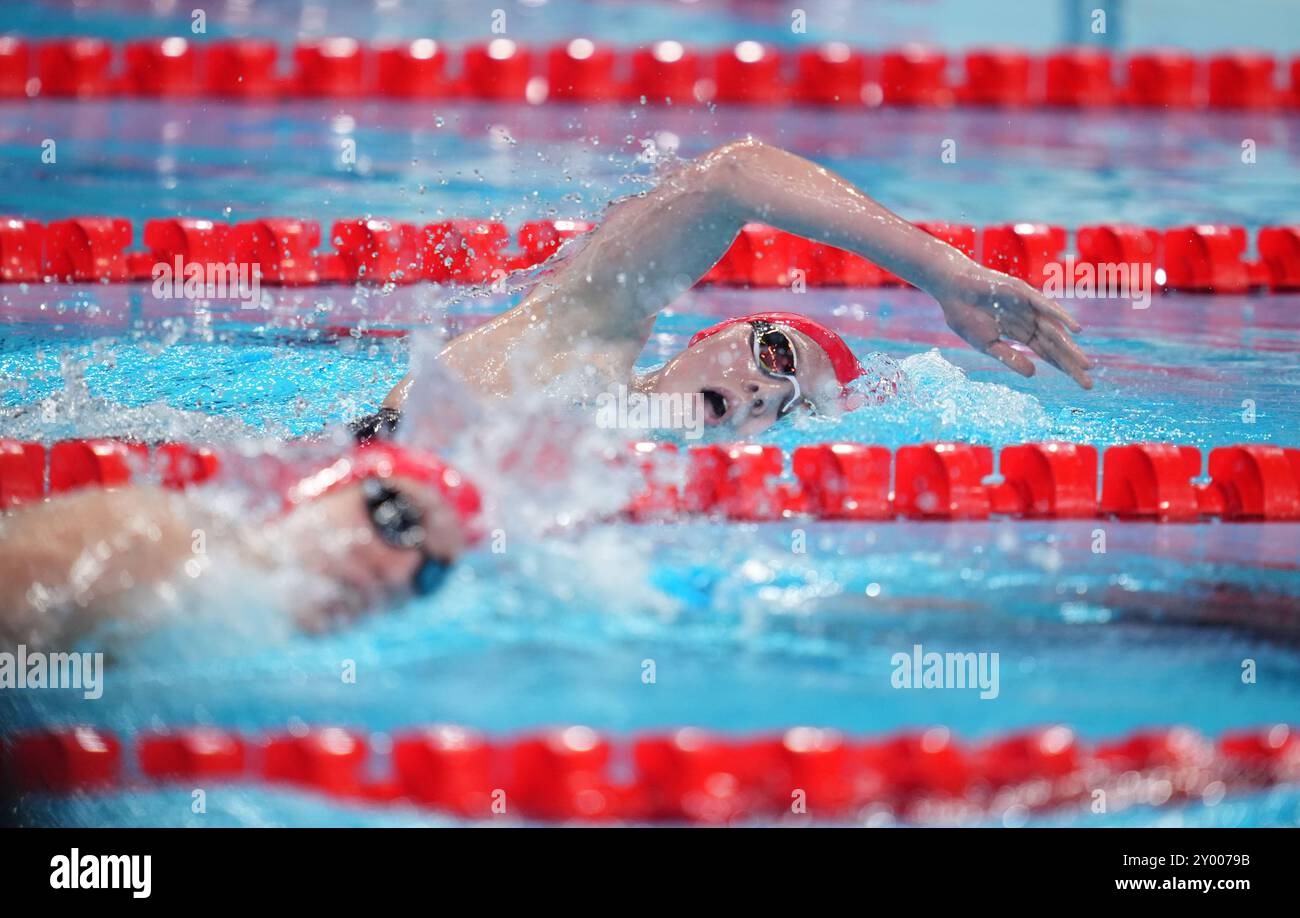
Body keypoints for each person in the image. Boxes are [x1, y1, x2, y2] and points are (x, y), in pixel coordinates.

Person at [360, 137, 1092, 442]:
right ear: (704, 339)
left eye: (788, 404)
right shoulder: (585, 338)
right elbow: (731, 177)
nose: (765, 393)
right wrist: (945, 271)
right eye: (774, 354)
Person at [0, 443, 478, 651]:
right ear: (322, 491)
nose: (397, 571)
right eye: (398, 519)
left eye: (430, 573)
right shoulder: (159, 530)